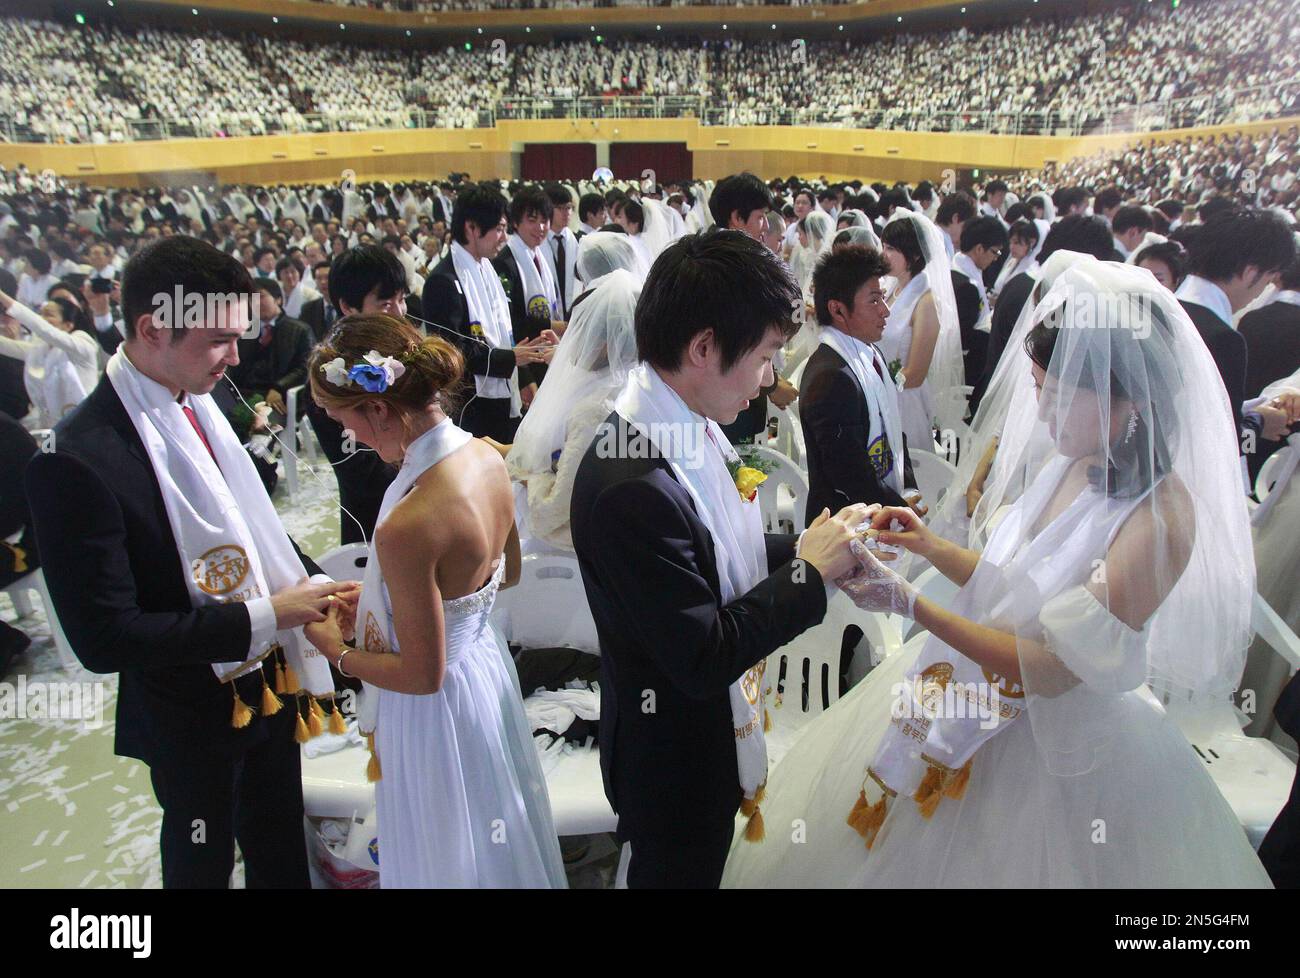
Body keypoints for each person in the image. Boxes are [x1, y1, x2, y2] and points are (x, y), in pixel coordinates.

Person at [723, 258, 1271, 888]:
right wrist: (931, 548)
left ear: (1127, 396)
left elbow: (1048, 666)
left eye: (1058, 395)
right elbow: (1020, 585)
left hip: (1059, 743)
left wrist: (912, 604)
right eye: (1038, 390)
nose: (1042, 415)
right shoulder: (1081, 459)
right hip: (971, 687)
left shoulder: (1161, 519)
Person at [25, 235, 358, 888]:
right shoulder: (77, 459)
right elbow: (104, 637)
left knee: (280, 844)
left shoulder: (201, 398)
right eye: (217, 340)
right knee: (201, 860)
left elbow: (250, 528)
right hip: (191, 714)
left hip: (268, 684)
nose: (235, 357)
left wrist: (313, 583)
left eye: (241, 336)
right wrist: (268, 613)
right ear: (152, 329)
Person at [569, 229, 869, 888]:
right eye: (764, 356)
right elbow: (702, 653)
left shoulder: (681, 423)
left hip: (693, 737)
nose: (768, 380)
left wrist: (820, 548)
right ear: (703, 347)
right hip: (673, 757)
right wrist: (808, 572)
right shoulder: (631, 484)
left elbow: (710, 553)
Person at [305, 314, 566, 888]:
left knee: (445, 853)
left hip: (435, 709)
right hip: (485, 672)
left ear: (377, 408)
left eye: (340, 419)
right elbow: (507, 572)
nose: (348, 437)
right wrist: (388, 600)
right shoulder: (485, 456)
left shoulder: (410, 520)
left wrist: (337, 651)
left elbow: (423, 673)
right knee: (491, 837)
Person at [505, 235, 643, 552]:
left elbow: (552, 510)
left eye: (583, 332)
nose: (574, 344)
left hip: (582, 548)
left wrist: (530, 477)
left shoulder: (596, 408)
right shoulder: (637, 387)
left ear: (608, 342)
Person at [423, 185, 555, 442]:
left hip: (502, 395)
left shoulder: (486, 268)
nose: (503, 237)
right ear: (472, 228)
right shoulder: (444, 281)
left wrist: (521, 370)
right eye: (498, 229)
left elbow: (503, 332)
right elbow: (451, 355)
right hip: (471, 406)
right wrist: (510, 359)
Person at [800, 243, 919, 522]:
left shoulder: (868, 352)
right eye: (874, 300)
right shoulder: (831, 376)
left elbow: (893, 429)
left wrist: (909, 489)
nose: (885, 311)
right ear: (838, 310)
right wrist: (900, 508)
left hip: (877, 508)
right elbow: (849, 474)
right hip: (843, 525)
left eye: (883, 298)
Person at [306, 245, 406, 545]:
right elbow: (362, 473)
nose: (399, 313)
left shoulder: (404, 349)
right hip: (375, 522)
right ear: (348, 306)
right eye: (386, 303)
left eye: (402, 300)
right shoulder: (330, 374)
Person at [1176, 207, 1295, 453]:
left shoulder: (1165, 307)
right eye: (1267, 279)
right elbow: (1223, 444)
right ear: (1250, 272)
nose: (1261, 291)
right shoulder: (1222, 338)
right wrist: (1260, 425)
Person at [878, 211, 964, 449]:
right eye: (884, 246)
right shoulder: (893, 290)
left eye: (891, 249)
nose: (883, 255)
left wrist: (878, 382)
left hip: (905, 400)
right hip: (885, 394)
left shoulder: (926, 302)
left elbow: (915, 373)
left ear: (914, 255)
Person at [0, 291, 100, 427]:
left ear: (68, 325)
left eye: (49, 315)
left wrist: (3, 297)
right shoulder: (40, 350)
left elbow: (42, 328)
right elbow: (5, 345)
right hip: (53, 430)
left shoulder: (83, 345)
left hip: (86, 426)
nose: (42, 319)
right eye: (41, 314)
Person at [951, 216, 1009, 386]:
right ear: (979, 249)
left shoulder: (956, 266)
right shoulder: (966, 287)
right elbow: (963, 337)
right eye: (995, 251)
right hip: (962, 368)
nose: (996, 258)